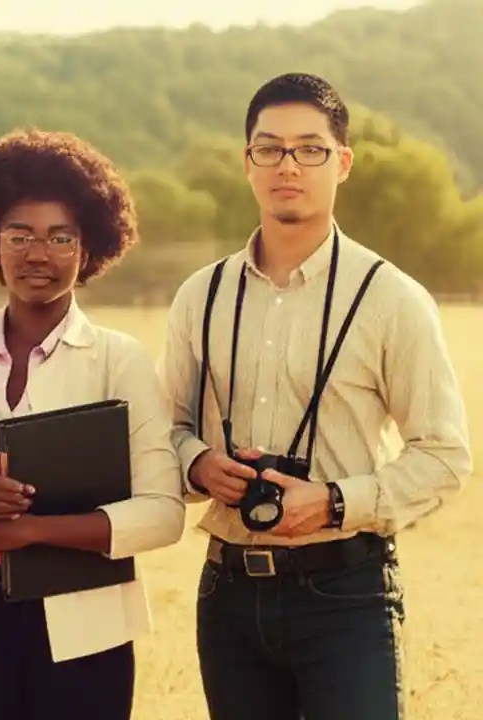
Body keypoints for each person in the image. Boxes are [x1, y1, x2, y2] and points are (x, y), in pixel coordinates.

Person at [162, 72, 471, 720]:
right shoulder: (201, 296)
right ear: (247, 162)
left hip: (347, 594)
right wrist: (197, 463)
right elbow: (164, 432)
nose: (288, 166)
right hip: (226, 595)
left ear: (343, 163)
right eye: (269, 148)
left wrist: (333, 502)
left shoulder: (391, 298)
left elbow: (445, 457)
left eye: (310, 149)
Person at [0, 128, 185, 720]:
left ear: (88, 248)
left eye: (60, 237)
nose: (37, 254)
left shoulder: (119, 359)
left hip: (85, 622)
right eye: (19, 235)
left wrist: (33, 531)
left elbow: (162, 512)